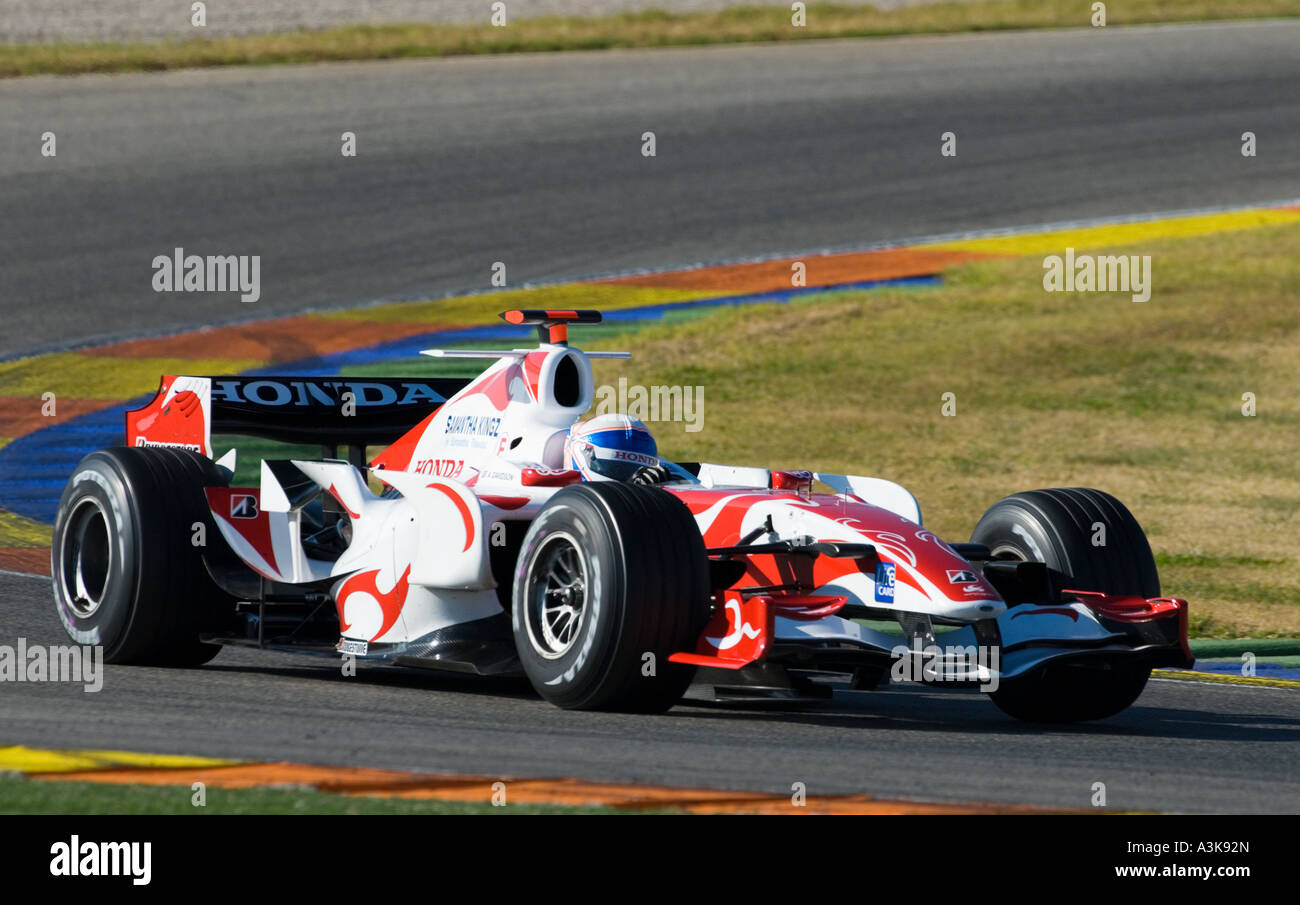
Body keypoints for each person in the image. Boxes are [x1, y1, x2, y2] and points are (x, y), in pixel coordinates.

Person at [565, 413, 673, 485]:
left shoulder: (663, 470)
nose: (632, 478)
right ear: (587, 453)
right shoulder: (552, 491)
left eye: (639, 469)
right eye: (618, 469)